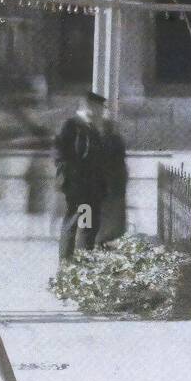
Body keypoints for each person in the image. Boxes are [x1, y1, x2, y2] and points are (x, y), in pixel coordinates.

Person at [54, 92, 126, 261]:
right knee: (79, 225)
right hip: (80, 190)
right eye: (99, 109)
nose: (101, 113)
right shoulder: (73, 126)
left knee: (86, 225)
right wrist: (71, 179)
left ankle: (79, 260)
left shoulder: (91, 128)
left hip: (90, 190)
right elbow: (61, 155)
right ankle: (71, 262)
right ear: (90, 108)